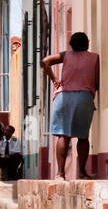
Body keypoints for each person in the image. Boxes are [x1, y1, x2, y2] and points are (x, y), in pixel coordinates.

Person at [42, 32, 101, 180]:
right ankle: (81, 172)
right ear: (86, 43)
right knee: (83, 136)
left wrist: (54, 79)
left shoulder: (66, 55)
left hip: (63, 97)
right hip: (83, 97)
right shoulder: (94, 57)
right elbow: (97, 81)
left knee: (63, 135)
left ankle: (60, 173)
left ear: (71, 44)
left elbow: (45, 61)